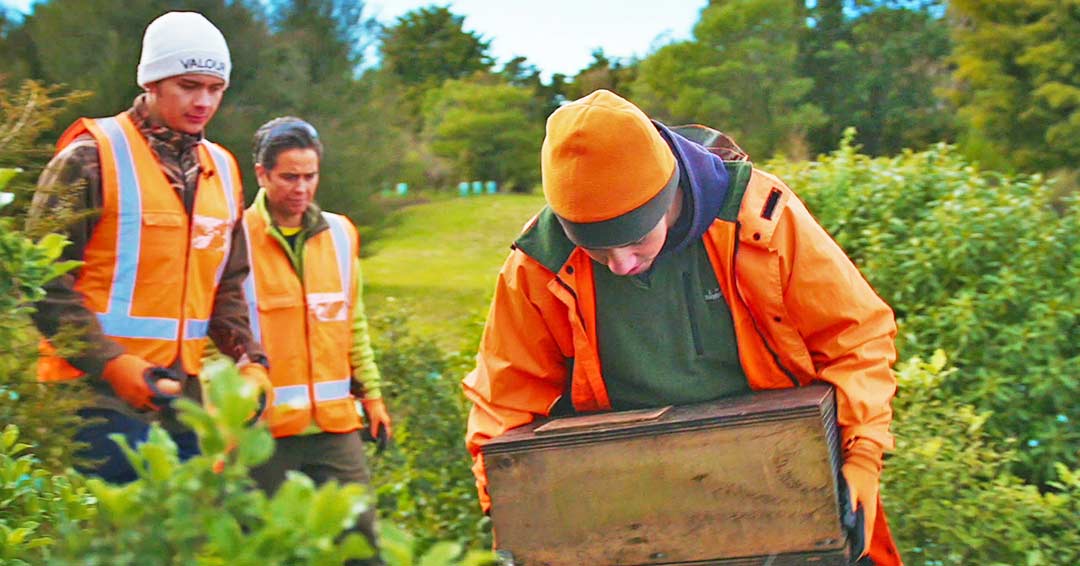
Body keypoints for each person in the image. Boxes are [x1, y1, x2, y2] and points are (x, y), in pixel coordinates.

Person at [463, 90, 902, 564]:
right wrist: (507, 509)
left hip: (785, 478)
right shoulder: (538, 262)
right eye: (596, 251)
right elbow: (505, 397)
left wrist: (862, 457)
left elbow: (855, 337)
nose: (620, 266)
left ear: (668, 197)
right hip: (630, 510)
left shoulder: (761, 216)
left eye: (634, 240)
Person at [28, 11, 272, 483]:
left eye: (215, 88)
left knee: (191, 537)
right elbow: (41, 280)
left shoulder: (222, 169)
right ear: (153, 82)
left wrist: (250, 359)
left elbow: (227, 285)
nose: (203, 101)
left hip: (180, 396)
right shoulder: (89, 157)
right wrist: (112, 364)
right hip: (89, 394)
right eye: (188, 85)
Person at [242, 117, 392, 562]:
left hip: (333, 427)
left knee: (362, 546)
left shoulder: (341, 234)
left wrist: (373, 396)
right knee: (269, 549)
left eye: (310, 176)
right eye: (289, 177)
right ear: (262, 174)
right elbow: (216, 334)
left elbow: (353, 325)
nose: (301, 188)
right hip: (261, 431)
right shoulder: (234, 239)